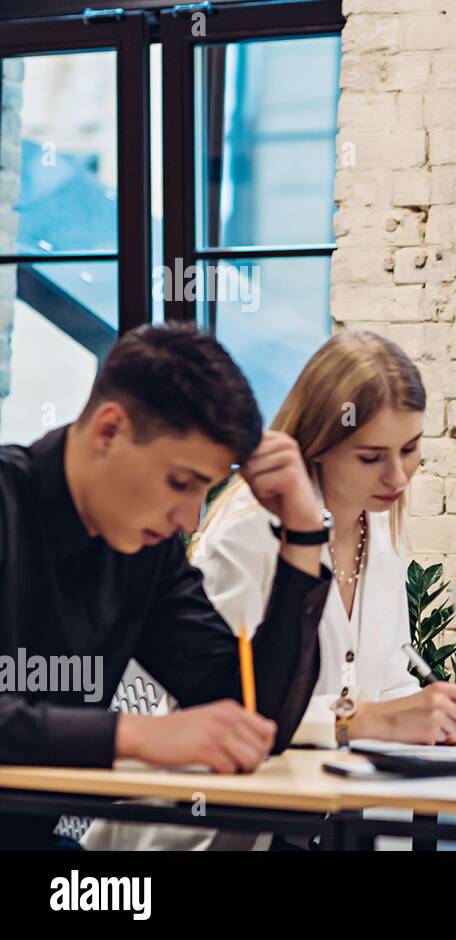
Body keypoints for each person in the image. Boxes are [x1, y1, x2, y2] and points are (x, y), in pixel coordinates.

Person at [82, 330, 456, 850]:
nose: (397, 475)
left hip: (321, 814)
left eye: (409, 449)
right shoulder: (250, 532)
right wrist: (359, 724)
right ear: (318, 445)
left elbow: (378, 678)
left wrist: (429, 714)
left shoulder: (376, 527)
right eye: (370, 456)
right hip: (210, 819)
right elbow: (225, 706)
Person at [0, 322, 331, 849]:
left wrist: (304, 533)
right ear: (110, 430)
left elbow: (253, 718)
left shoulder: (147, 552)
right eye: (181, 482)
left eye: (206, 490)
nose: (187, 518)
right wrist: (139, 736)